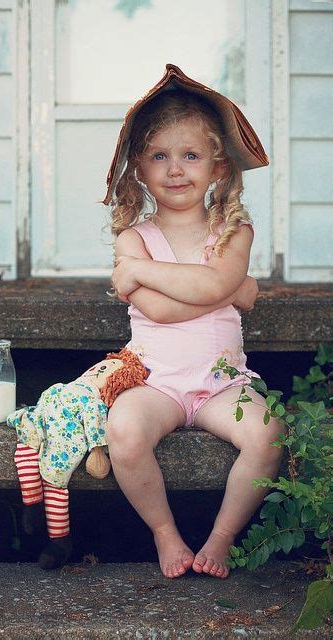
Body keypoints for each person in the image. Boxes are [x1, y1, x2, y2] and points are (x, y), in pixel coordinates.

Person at [103, 65, 283, 580]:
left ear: (218, 168)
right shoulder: (132, 238)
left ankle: (222, 537)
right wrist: (233, 289)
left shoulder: (232, 232)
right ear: (139, 167)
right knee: (125, 429)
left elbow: (197, 289)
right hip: (156, 381)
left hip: (221, 383)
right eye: (159, 156)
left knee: (269, 433)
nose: (175, 169)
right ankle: (166, 534)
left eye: (190, 155)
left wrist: (144, 274)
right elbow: (159, 311)